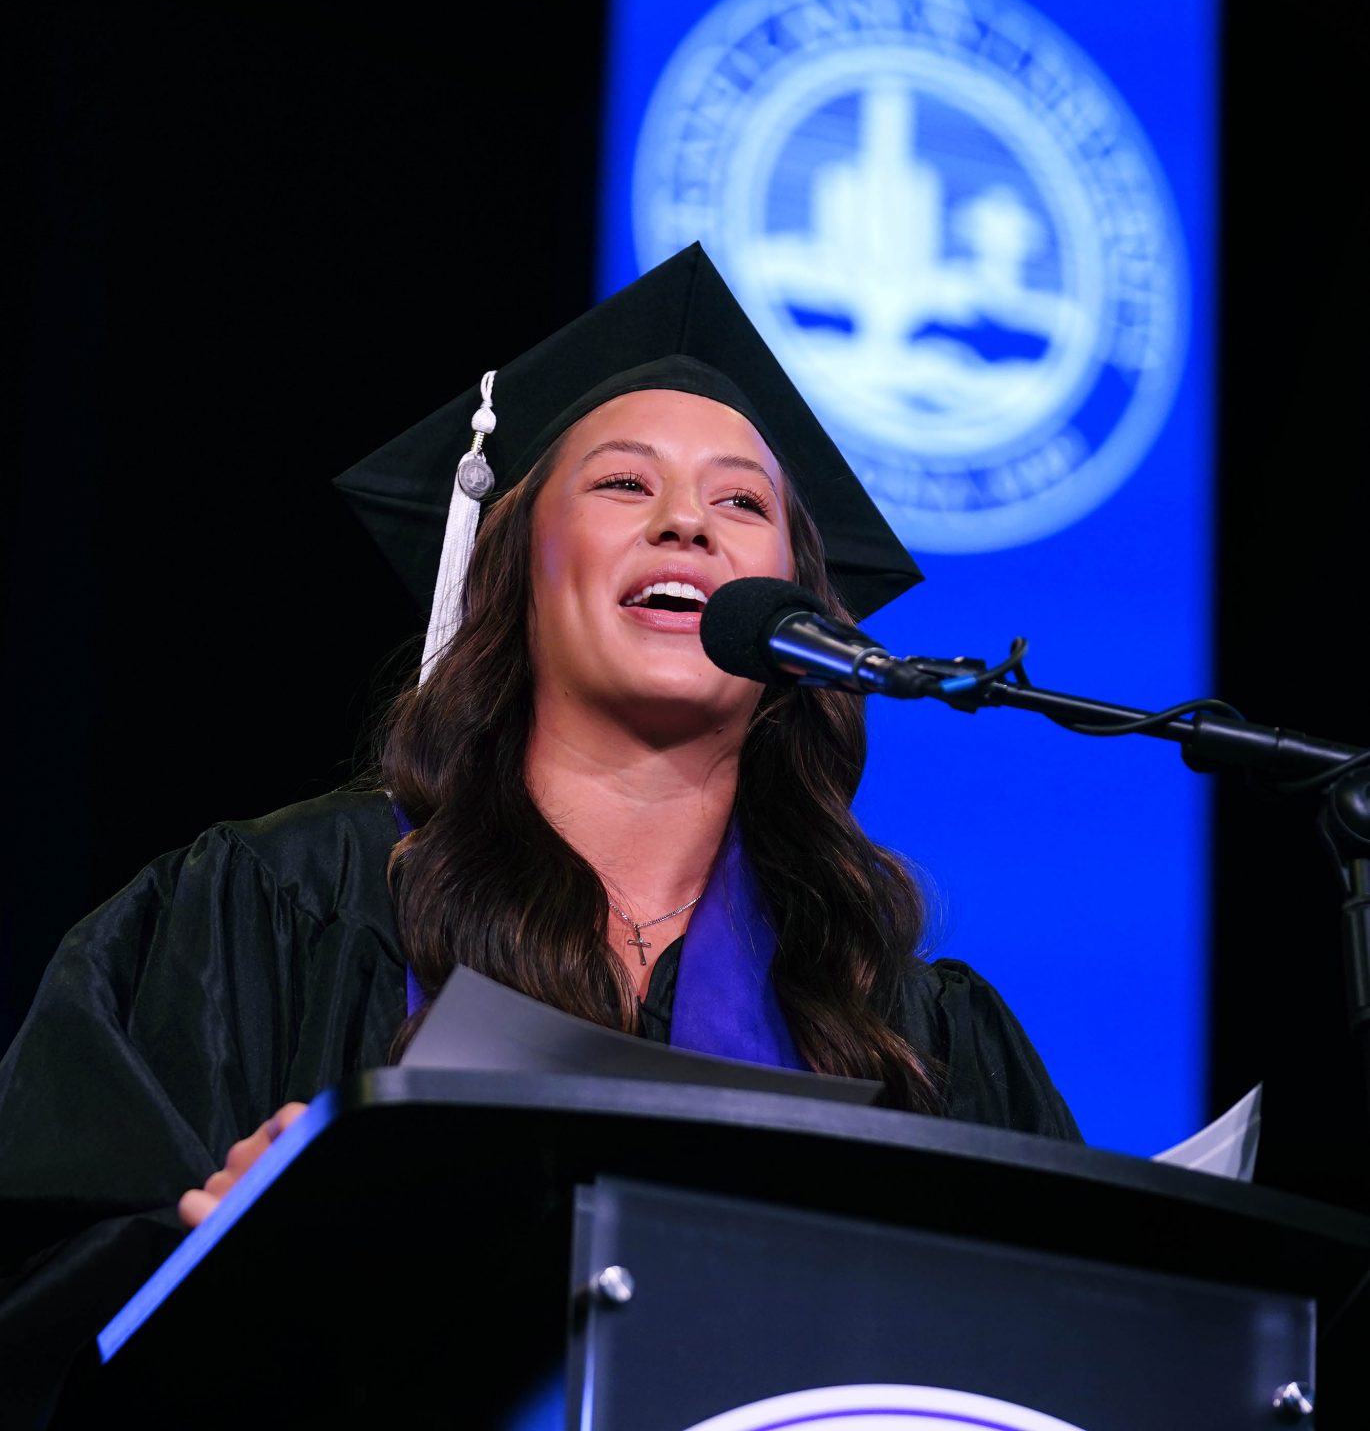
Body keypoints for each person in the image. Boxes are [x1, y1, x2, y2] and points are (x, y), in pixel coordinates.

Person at [0, 245, 1079, 1419]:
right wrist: (204, 1250)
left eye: (741, 502)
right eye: (624, 485)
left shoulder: (897, 1023)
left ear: (796, 614)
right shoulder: (276, 909)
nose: (687, 526)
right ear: (509, 570)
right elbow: (43, 1288)